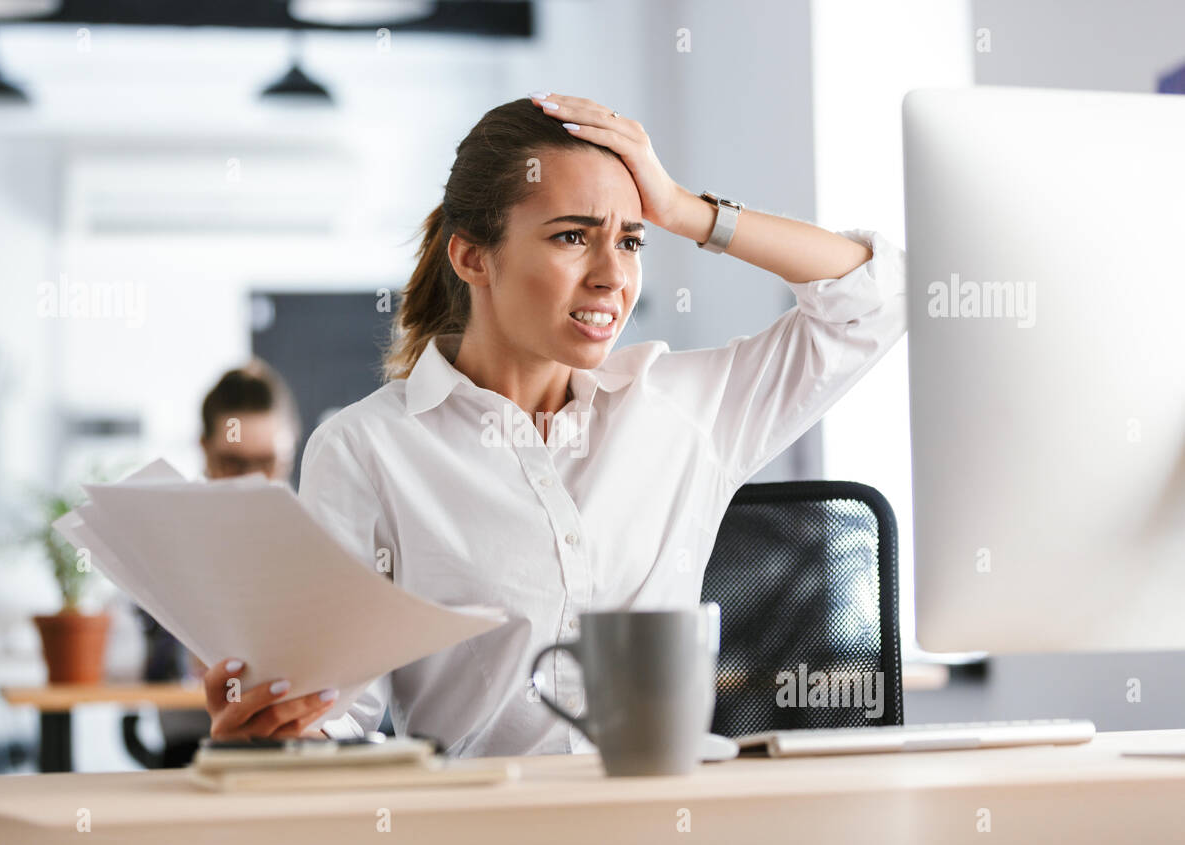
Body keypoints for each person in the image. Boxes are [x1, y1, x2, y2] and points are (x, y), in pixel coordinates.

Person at [201, 93, 907, 756]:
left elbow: (877, 299)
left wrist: (687, 211)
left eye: (631, 241)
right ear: (473, 256)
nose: (611, 276)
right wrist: (274, 733)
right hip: (486, 838)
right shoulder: (366, 451)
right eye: (573, 236)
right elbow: (335, 721)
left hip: (662, 828)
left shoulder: (683, 410)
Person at [137, 358, 301, 765]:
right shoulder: (165, 535)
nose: (250, 480)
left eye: (266, 463)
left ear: (291, 449)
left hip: (299, 741)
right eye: (233, 463)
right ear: (204, 450)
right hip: (192, 744)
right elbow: (145, 665)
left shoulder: (319, 532)